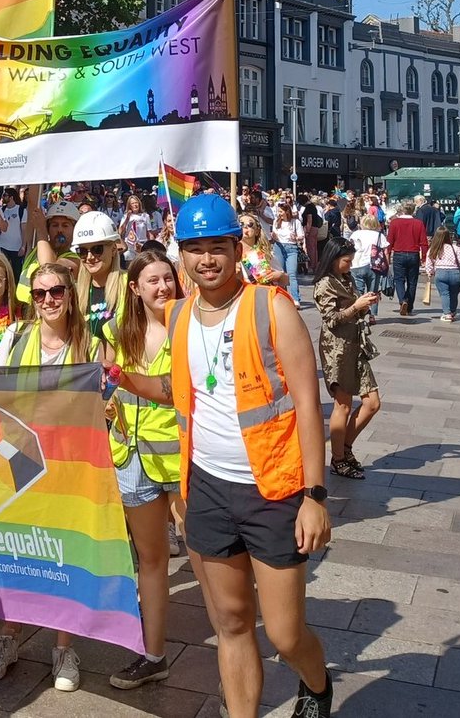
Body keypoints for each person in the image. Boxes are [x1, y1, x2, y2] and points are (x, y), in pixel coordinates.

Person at [113, 194, 333, 718]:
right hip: (206, 488)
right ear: (181, 255)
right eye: (195, 249)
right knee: (231, 624)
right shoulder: (181, 315)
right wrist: (121, 378)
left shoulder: (270, 307)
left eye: (218, 247)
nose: (206, 259)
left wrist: (315, 496)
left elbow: (307, 402)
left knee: (282, 634)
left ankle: (318, 684)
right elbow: (176, 388)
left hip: (273, 489)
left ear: (237, 249)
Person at [0, 261, 102, 692]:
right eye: (39, 293)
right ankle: (9, 636)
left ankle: (63, 647)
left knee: (63, 553)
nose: (48, 300)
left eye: (56, 292)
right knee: (16, 553)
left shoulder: (91, 343)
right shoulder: (15, 338)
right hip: (18, 460)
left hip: (69, 464)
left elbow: (104, 401)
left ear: (70, 294)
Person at [103, 251, 185, 691]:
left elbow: (175, 392)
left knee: (207, 558)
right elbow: (102, 388)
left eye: (167, 278)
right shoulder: (115, 330)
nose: (161, 287)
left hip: (179, 458)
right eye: (151, 280)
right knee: (151, 560)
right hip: (130, 458)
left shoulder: (190, 327)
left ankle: (235, 646)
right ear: (134, 288)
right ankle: (154, 655)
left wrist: (122, 380)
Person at [314, 238, 381, 480]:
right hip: (337, 350)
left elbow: (351, 307)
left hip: (355, 345)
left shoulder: (345, 279)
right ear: (333, 259)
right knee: (342, 405)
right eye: (347, 261)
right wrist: (357, 306)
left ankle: (345, 448)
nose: (350, 265)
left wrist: (364, 304)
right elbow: (330, 319)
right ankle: (338, 458)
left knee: (372, 402)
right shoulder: (324, 284)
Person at [71, 211, 126, 339]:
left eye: (97, 249)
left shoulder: (130, 285)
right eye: (83, 251)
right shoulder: (75, 292)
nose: (89, 257)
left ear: (113, 249)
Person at [386, 200, 427, 316]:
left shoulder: (394, 223)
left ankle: (402, 300)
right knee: (412, 282)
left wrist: (388, 255)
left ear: (402, 210)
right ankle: (409, 307)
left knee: (399, 279)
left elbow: (389, 241)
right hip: (414, 254)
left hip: (399, 254)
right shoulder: (418, 223)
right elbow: (424, 242)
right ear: (413, 210)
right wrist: (424, 258)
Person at [349, 214, 387, 320]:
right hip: (374, 266)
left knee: (358, 290)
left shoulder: (355, 234)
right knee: (373, 291)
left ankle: (358, 312)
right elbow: (385, 251)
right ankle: (372, 315)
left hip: (356, 264)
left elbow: (351, 248)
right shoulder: (379, 235)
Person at [237, 213, 288, 290]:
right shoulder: (232, 254)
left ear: (257, 231)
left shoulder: (264, 254)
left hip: (260, 296)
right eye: (241, 224)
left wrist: (279, 275)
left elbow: (286, 281)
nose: (245, 226)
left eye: (250, 224)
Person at [424, 227, 460, 323]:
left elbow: (429, 262)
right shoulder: (455, 248)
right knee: (454, 294)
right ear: (448, 236)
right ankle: (453, 311)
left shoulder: (433, 249)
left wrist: (429, 272)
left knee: (444, 294)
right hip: (455, 272)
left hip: (440, 272)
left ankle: (447, 314)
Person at [270, 201, 305, 307]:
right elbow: (274, 235)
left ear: (286, 211)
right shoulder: (276, 221)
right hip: (279, 246)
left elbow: (301, 236)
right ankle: (283, 297)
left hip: (291, 248)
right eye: (278, 211)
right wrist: (273, 237)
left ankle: (295, 298)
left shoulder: (295, 222)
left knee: (292, 274)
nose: (279, 213)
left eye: (281, 211)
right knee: (280, 273)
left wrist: (296, 238)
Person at [0, 187, 26, 276]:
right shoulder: (2, 210)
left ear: (11, 197)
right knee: (3, 270)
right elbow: (1, 228)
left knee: (16, 272)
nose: (3, 197)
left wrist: (23, 246)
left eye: (5, 195)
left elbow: (24, 230)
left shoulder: (21, 210)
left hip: (16, 247)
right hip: (3, 245)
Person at [119, 194, 152, 262]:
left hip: (142, 244)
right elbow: (120, 231)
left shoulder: (145, 216)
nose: (135, 205)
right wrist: (127, 219)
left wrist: (152, 245)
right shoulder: (125, 216)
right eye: (132, 203)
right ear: (129, 205)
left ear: (139, 204)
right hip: (130, 245)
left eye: (136, 202)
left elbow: (149, 233)